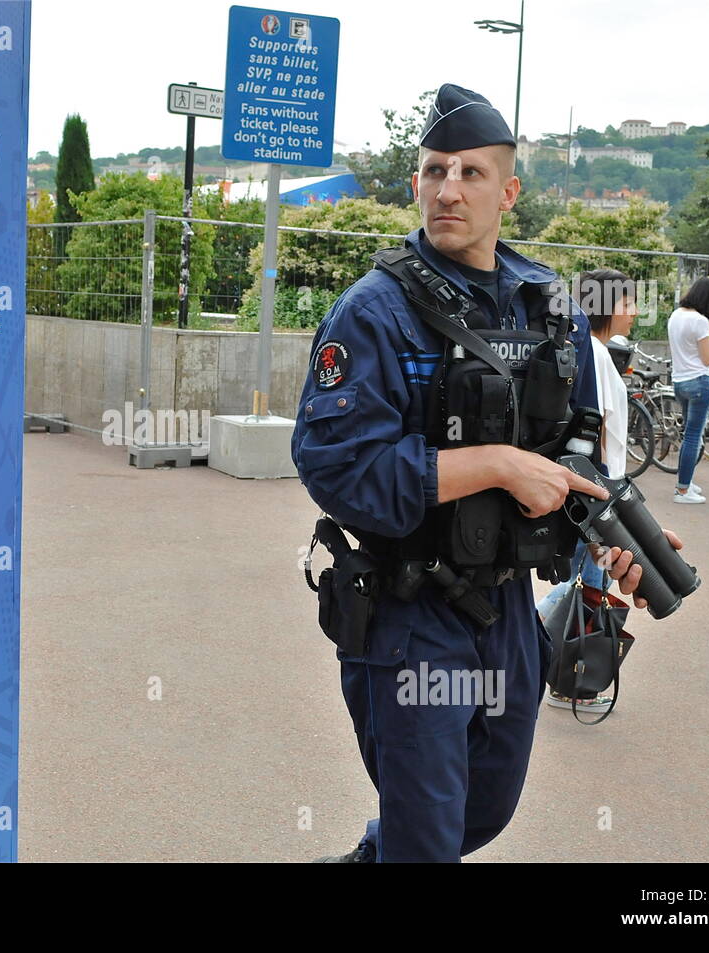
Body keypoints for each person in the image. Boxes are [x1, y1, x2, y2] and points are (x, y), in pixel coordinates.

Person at [292, 84, 682, 863]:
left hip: (507, 608)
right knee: (430, 832)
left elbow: (566, 455)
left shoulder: (546, 306)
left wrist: (606, 542)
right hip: (410, 610)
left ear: (508, 191)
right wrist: (495, 464)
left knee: (485, 806)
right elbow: (337, 467)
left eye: (471, 173)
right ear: (415, 185)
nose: (448, 188)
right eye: (435, 170)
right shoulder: (373, 311)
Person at [536, 269, 636, 714]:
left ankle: (568, 675)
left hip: (593, 494)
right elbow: (593, 429)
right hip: (594, 497)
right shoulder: (593, 354)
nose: (633, 312)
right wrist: (603, 500)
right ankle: (566, 675)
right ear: (608, 306)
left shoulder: (591, 349)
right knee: (586, 586)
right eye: (628, 302)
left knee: (587, 583)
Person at [666, 278, 709, 503]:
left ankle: (686, 482)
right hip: (700, 381)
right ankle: (682, 490)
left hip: (680, 382)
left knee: (689, 435)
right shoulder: (699, 320)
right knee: (693, 436)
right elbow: (707, 358)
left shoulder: (676, 315)